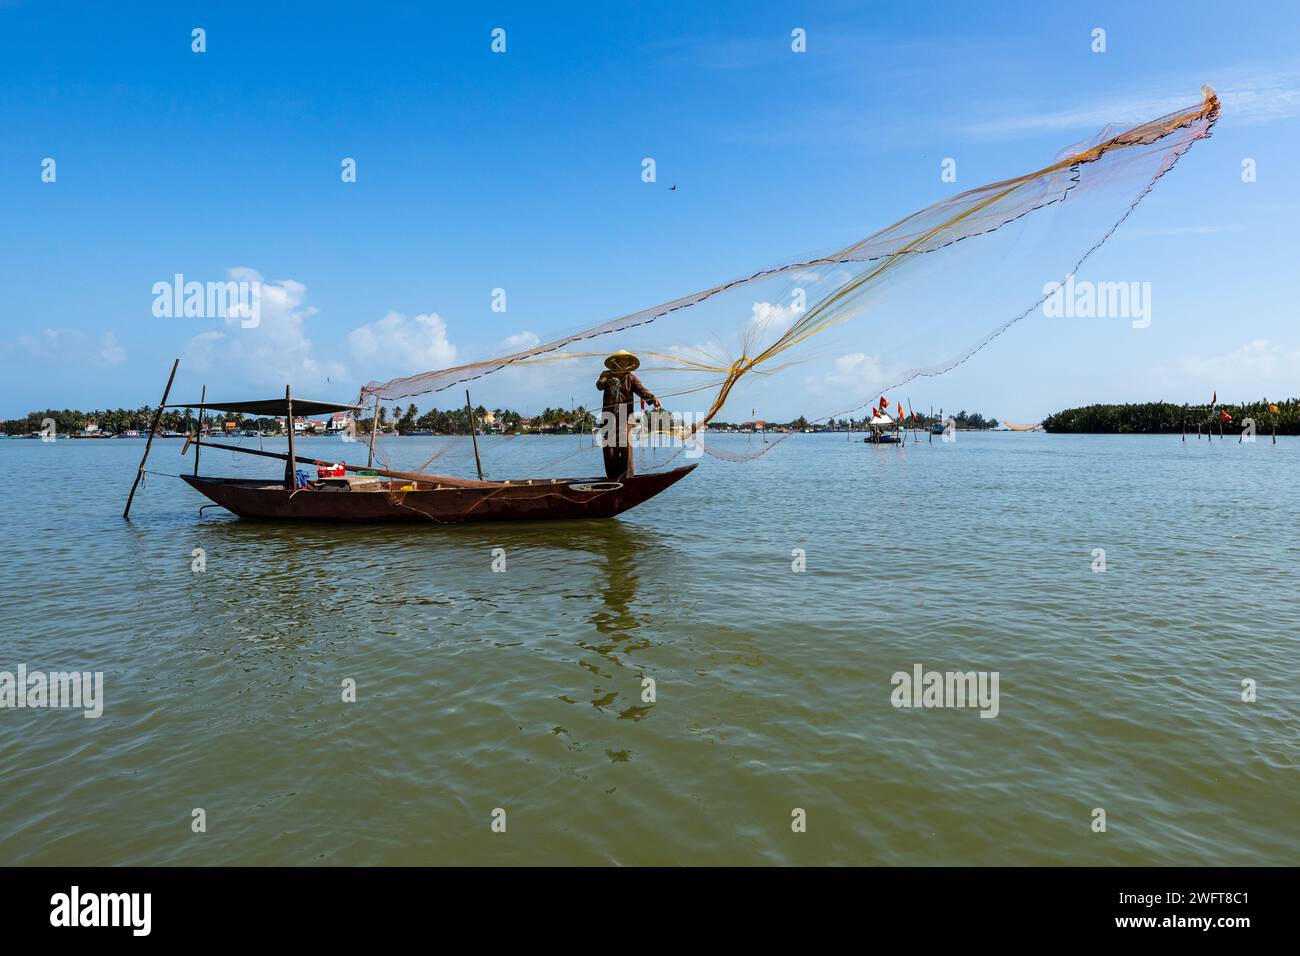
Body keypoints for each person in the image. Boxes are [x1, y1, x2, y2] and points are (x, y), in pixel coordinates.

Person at [595, 350, 660, 480]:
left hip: (625, 416)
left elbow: (642, 390)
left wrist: (652, 398)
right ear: (616, 362)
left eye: (625, 361)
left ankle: (627, 479)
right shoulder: (606, 375)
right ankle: (612, 479)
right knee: (609, 449)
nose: (623, 363)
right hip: (609, 415)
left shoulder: (631, 378)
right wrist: (608, 382)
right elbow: (599, 385)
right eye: (620, 360)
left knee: (625, 449)